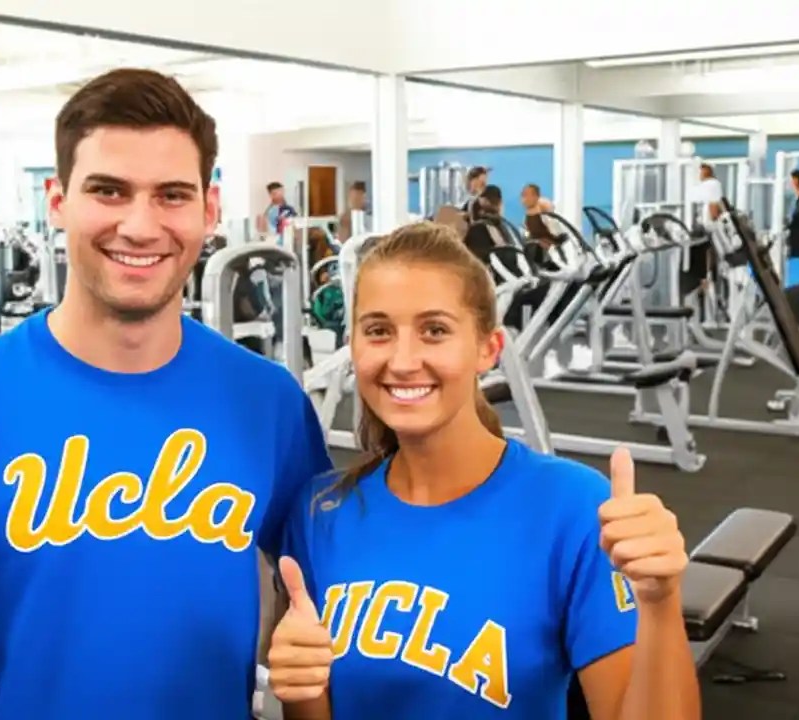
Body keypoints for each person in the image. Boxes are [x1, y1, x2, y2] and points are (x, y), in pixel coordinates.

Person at [0, 68, 333, 720]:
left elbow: (326, 600)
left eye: (171, 195)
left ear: (208, 210)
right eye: (108, 190)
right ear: (57, 200)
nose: (139, 225)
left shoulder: (269, 402)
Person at [266, 223, 699, 720]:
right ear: (354, 346)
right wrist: (299, 689)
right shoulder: (320, 512)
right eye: (379, 331)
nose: (403, 361)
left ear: (487, 349)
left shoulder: (574, 508)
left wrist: (661, 603)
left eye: (435, 330)